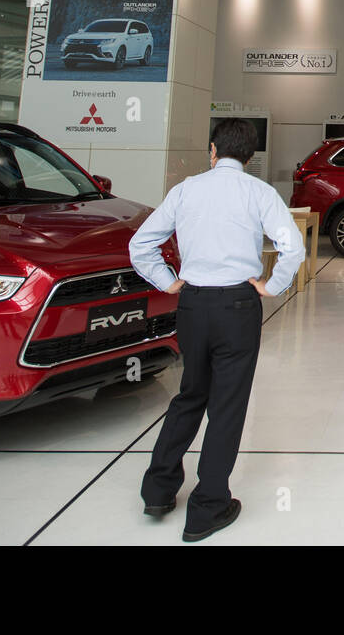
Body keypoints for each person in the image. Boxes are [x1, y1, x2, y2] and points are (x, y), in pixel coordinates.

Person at [128, 118, 305, 542]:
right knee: (227, 405)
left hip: (193, 304)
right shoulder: (259, 192)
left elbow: (140, 245)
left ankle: (158, 490)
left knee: (190, 394)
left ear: (212, 150)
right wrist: (271, 286)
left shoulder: (185, 190)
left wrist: (168, 281)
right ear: (249, 156)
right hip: (238, 306)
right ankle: (207, 507)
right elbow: (293, 247)